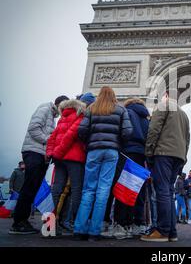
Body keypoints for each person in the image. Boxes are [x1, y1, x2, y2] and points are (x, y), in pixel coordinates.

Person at [73, 86, 133, 241]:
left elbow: (81, 130)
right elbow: (127, 131)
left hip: (94, 151)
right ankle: (94, 231)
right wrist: (118, 143)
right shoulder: (120, 109)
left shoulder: (92, 108)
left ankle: (79, 229)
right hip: (112, 152)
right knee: (103, 190)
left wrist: (90, 142)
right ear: (113, 95)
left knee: (88, 190)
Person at [9, 95, 69, 235]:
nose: (64, 112)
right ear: (59, 104)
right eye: (64, 108)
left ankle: (22, 221)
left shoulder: (52, 116)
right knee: (29, 187)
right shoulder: (44, 109)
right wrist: (50, 141)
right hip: (33, 152)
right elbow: (33, 128)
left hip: (39, 153)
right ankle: (18, 223)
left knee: (33, 187)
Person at [141, 91, 190, 242]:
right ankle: (171, 232)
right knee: (168, 192)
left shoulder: (163, 105)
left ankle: (162, 231)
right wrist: (183, 157)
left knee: (162, 191)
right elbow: (187, 138)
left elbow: (153, 130)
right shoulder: (183, 113)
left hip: (163, 153)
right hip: (178, 156)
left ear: (166, 95)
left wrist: (148, 152)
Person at [101, 98, 150, 240]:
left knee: (124, 190)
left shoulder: (126, 112)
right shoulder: (146, 118)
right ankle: (136, 224)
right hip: (141, 155)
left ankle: (121, 225)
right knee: (137, 190)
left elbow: (123, 131)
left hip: (126, 153)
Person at [46, 99, 87, 235]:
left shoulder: (62, 118)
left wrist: (50, 153)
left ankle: (49, 226)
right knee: (76, 190)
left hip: (59, 158)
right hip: (74, 158)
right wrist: (58, 152)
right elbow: (70, 136)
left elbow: (52, 138)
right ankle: (75, 224)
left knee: (56, 189)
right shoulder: (80, 116)